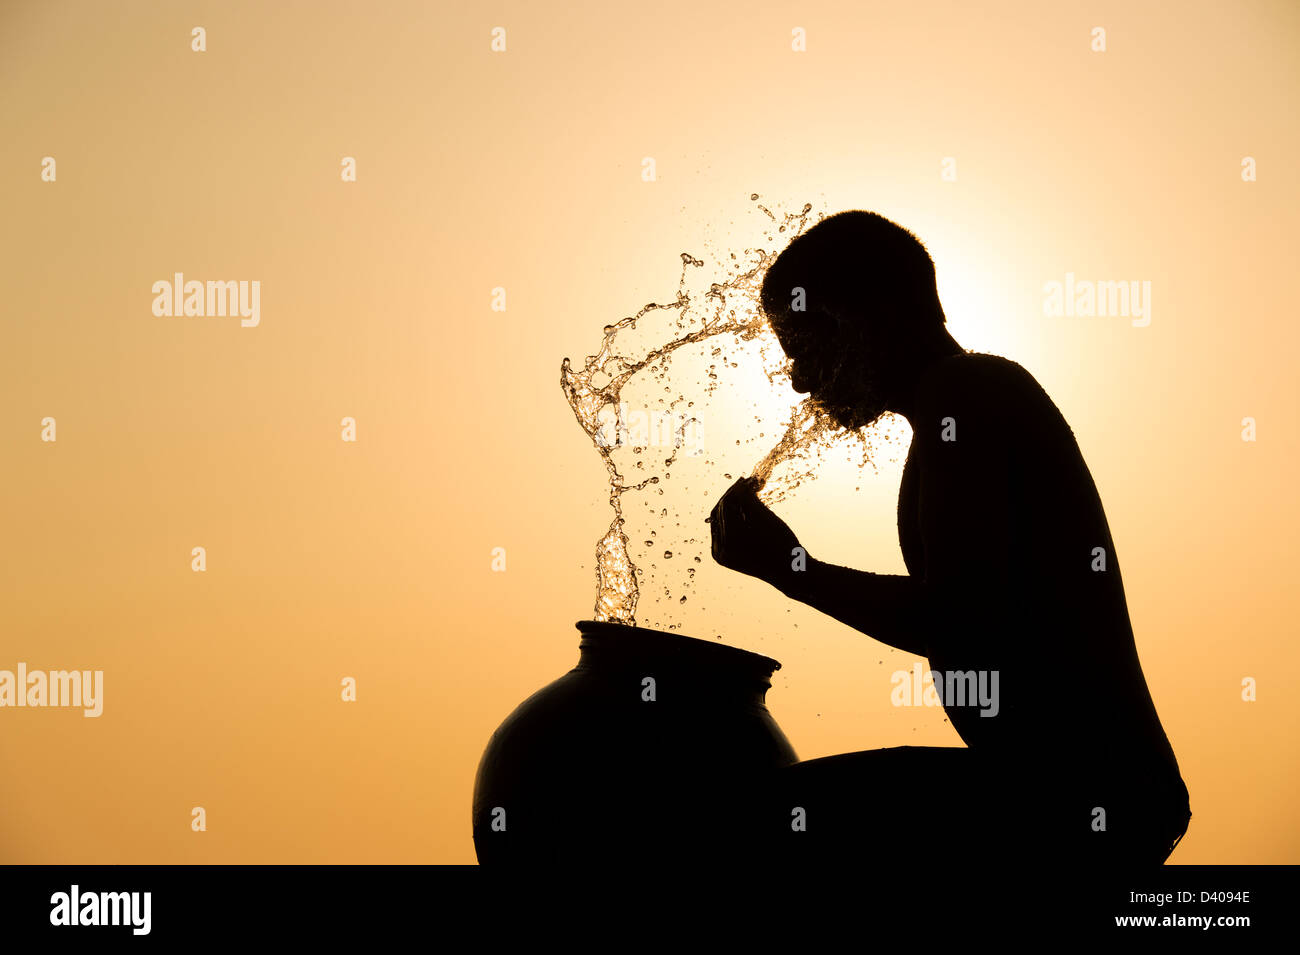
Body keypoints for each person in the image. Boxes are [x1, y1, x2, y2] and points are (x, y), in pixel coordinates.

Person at [710, 211, 1191, 864]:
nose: (797, 377)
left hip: (1080, 795)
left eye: (803, 345)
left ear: (862, 317)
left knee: (750, 821)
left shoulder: (967, 396)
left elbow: (963, 618)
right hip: (1067, 791)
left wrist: (792, 569)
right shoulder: (957, 404)